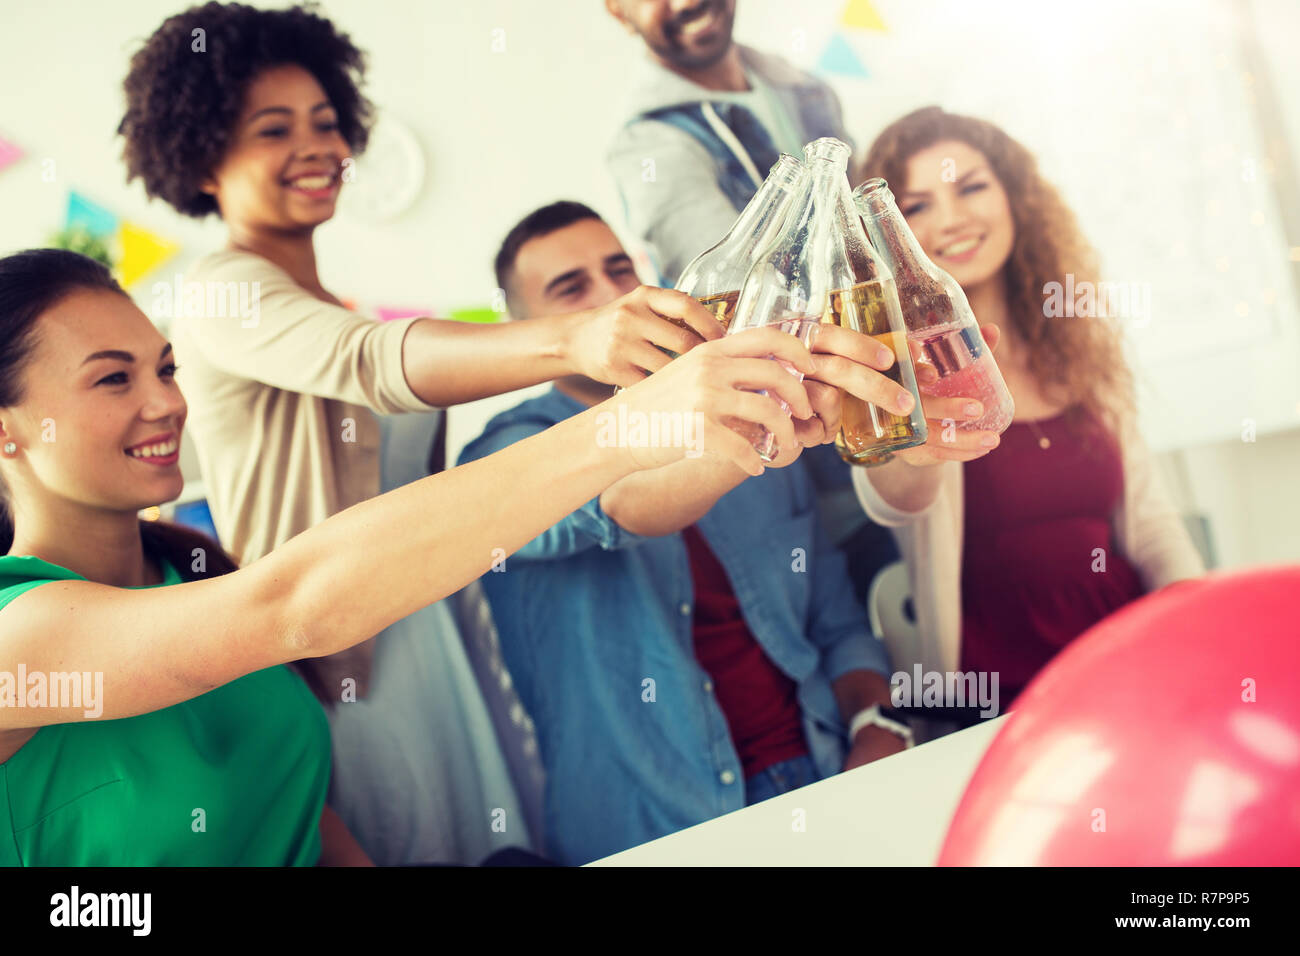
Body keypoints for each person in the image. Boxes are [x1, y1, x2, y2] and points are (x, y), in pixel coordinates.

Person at [116, 1, 727, 864]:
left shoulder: (331, 305)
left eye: (327, 123)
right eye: (273, 129)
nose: (317, 147)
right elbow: (366, 360)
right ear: (203, 153)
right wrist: (579, 336)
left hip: (439, 641)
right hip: (340, 667)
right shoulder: (221, 291)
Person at [0, 246, 829, 865]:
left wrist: (758, 427)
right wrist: (632, 422)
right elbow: (296, 607)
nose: (167, 403)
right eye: (114, 379)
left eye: (168, 368)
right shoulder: (17, 638)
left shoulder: (194, 571)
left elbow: (311, 825)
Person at [459, 201, 931, 865]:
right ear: (525, 331)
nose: (618, 299)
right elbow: (620, 504)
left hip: (827, 780)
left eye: (621, 270)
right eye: (572, 288)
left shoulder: (754, 404)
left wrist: (877, 722)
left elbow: (834, 618)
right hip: (654, 832)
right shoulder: (503, 455)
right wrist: (755, 431)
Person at [852, 107, 1205, 730]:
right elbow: (895, 505)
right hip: (1000, 709)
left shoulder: (1081, 344)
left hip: (1131, 670)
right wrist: (912, 434)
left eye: (971, 187)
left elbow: (1151, 529)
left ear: (1015, 197)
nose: (954, 218)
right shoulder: (889, 367)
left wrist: (1199, 630)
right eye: (918, 206)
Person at [604, 0, 898, 605]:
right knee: (870, 619)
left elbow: (873, 228)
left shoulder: (805, 88)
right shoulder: (650, 142)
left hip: (890, 404)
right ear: (617, 10)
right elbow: (744, 303)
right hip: (803, 456)